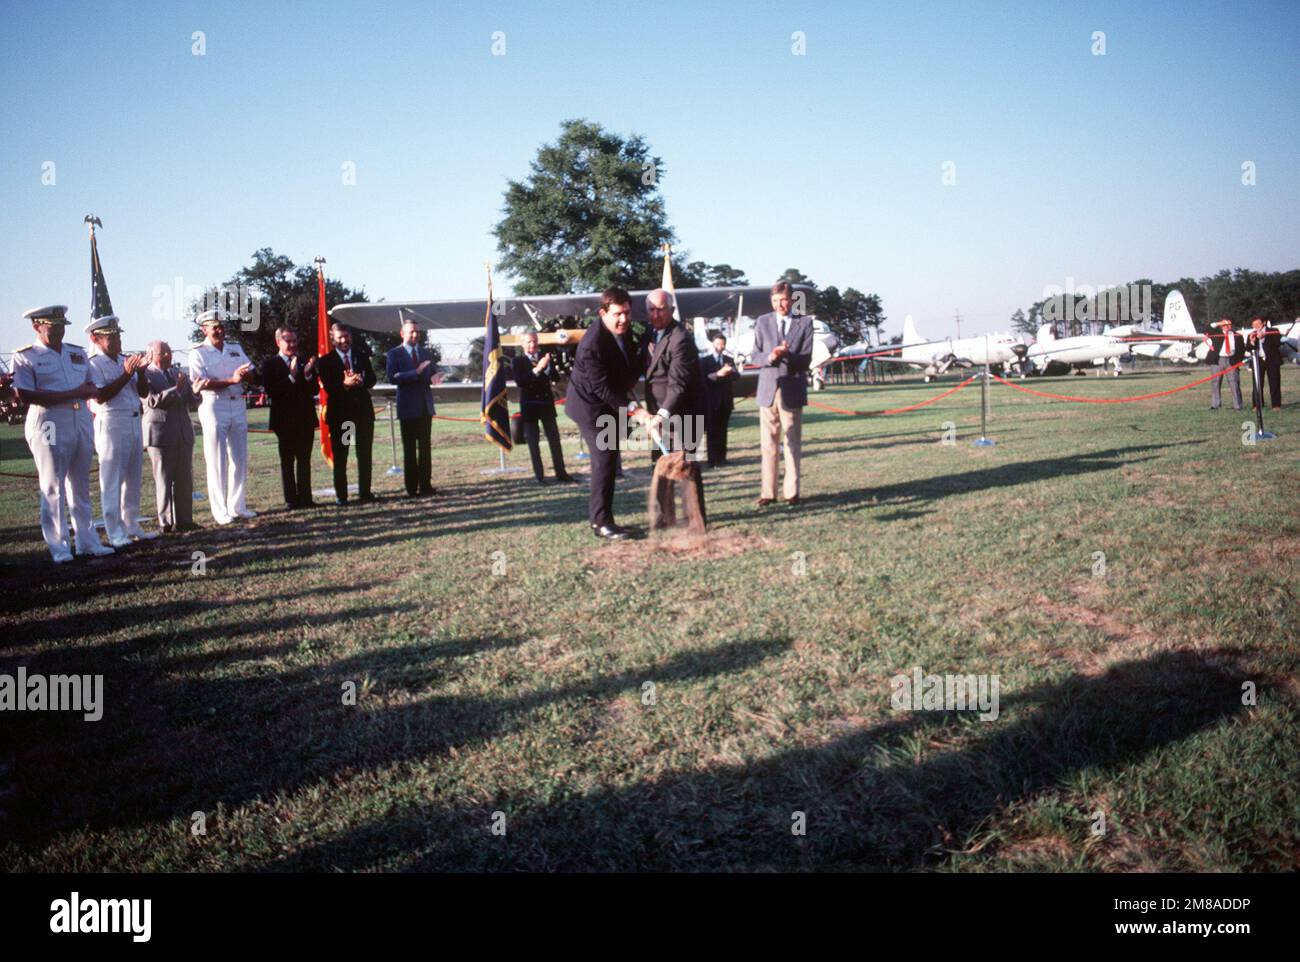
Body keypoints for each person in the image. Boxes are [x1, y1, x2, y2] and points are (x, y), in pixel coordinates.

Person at [9, 305, 113, 561]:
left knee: (80, 483)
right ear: (37, 326)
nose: (60, 329)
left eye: (62, 325)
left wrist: (83, 392)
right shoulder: (25, 356)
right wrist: (75, 393)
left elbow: (91, 386)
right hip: (49, 422)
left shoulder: (76, 353)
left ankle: (88, 542)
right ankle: (59, 547)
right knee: (53, 484)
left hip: (79, 419)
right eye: (53, 325)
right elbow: (28, 395)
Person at [565, 287, 642, 540]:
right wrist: (633, 409)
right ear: (603, 313)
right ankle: (601, 523)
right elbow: (601, 387)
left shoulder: (624, 330)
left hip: (606, 404)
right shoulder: (592, 344)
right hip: (588, 407)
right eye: (618, 314)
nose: (624, 319)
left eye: (627, 313)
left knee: (610, 458)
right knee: (605, 459)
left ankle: (603, 519)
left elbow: (626, 365)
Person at [86, 315, 157, 547]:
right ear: (96, 338)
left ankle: (132, 524)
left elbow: (144, 393)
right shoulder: (94, 363)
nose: (117, 340)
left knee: (133, 478)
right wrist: (126, 374)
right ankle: (115, 532)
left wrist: (142, 372)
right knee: (112, 479)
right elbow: (101, 396)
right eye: (111, 337)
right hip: (111, 422)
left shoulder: (125, 360)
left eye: (118, 335)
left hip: (134, 420)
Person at [641, 288, 707, 526]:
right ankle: (666, 516)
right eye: (651, 309)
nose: (656, 314)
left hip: (685, 413)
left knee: (687, 465)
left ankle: (696, 520)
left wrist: (662, 414)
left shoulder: (681, 337)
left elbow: (678, 383)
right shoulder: (648, 333)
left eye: (661, 309)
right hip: (659, 413)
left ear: (671, 309)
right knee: (661, 464)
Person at [188, 309, 257, 523]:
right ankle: (220, 511)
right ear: (204, 330)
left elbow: (251, 374)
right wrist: (233, 380)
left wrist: (247, 376)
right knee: (217, 460)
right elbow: (201, 383)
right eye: (213, 327)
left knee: (239, 459)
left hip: (237, 404)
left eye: (221, 326)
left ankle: (237, 506)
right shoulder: (197, 352)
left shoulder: (234, 349)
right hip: (213, 406)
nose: (219, 331)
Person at [753, 280, 814, 507]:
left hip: (792, 390)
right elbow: (754, 356)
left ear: (792, 300)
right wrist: (770, 356)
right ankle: (768, 493)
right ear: (772, 301)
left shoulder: (805, 323)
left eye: (784, 300)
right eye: (776, 301)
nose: (780, 305)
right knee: (768, 444)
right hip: (768, 389)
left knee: (792, 443)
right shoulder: (762, 322)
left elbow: (806, 359)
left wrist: (786, 354)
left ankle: (792, 492)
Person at [317, 322, 377, 503]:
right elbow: (329, 387)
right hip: (342, 418)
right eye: (340, 337)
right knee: (342, 455)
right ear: (333, 339)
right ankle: (341, 496)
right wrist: (345, 384)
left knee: (365, 454)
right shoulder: (326, 361)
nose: (344, 340)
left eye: (347, 336)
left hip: (363, 415)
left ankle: (365, 493)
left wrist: (361, 380)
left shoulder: (361, 355)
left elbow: (372, 379)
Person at [142, 341, 198, 532]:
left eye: (169, 351)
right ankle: (166, 523)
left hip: (183, 433)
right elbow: (152, 401)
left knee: (184, 479)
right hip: (160, 435)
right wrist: (176, 388)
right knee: (163, 480)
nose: (167, 355)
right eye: (162, 352)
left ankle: (185, 521)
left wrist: (196, 391)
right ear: (150, 355)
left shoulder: (177, 373)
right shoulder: (144, 375)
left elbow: (191, 400)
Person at [262, 326, 320, 509]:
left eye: (295, 340)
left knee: (304, 460)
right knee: (287, 460)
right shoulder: (270, 364)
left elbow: (314, 390)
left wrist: (309, 374)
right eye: (289, 341)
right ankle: (291, 500)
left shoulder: (303, 361)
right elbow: (272, 391)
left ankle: (306, 498)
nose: (293, 344)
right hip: (284, 420)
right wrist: (292, 376)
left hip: (305, 419)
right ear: (278, 342)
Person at [511, 331, 574, 485]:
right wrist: (538, 369)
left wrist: (549, 368)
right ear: (523, 344)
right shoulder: (517, 361)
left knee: (555, 441)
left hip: (546, 405)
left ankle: (561, 473)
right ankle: (540, 476)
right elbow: (521, 382)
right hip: (530, 407)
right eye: (529, 342)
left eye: (534, 341)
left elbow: (555, 379)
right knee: (533, 443)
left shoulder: (545, 358)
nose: (532, 345)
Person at [384, 320, 437, 497]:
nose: (415, 335)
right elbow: (393, 377)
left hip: (424, 407)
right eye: (411, 332)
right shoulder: (394, 354)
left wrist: (436, 377)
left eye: (417, 332)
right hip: (407, 408)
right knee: (409, 450)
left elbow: (432, 373)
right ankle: (411, 488)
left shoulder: (425, 352)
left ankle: (426, 486)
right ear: (402, 333)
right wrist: (416, 372)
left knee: (425, 448)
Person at [700, 332, 737, 467]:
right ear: (713, 344)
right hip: (711, 402)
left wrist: (731, 372)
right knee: (712, 431)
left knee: (723, 430)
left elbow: (736, 376)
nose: (720, 347)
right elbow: (704, 378)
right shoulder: (705, 360)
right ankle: (713, 460)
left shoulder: (728, 360)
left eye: (722, 344)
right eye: (717, 344)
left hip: (725, 401)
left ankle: (723, 458)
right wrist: (718, 374)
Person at [1247, 316, 1282, 411]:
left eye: (1258, 324)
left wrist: (1262, 338)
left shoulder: (1274, 330)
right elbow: (1248, 348)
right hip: (1258, 361)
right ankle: (1257, 405)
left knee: (1274, 382)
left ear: (1264, 323)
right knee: (1257, 383)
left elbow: (1277, 344)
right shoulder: (1251, 334)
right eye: (1254, 325)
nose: (1256, 326)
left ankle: (1276, 405)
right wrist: (1252, 342)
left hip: (1272, 360)